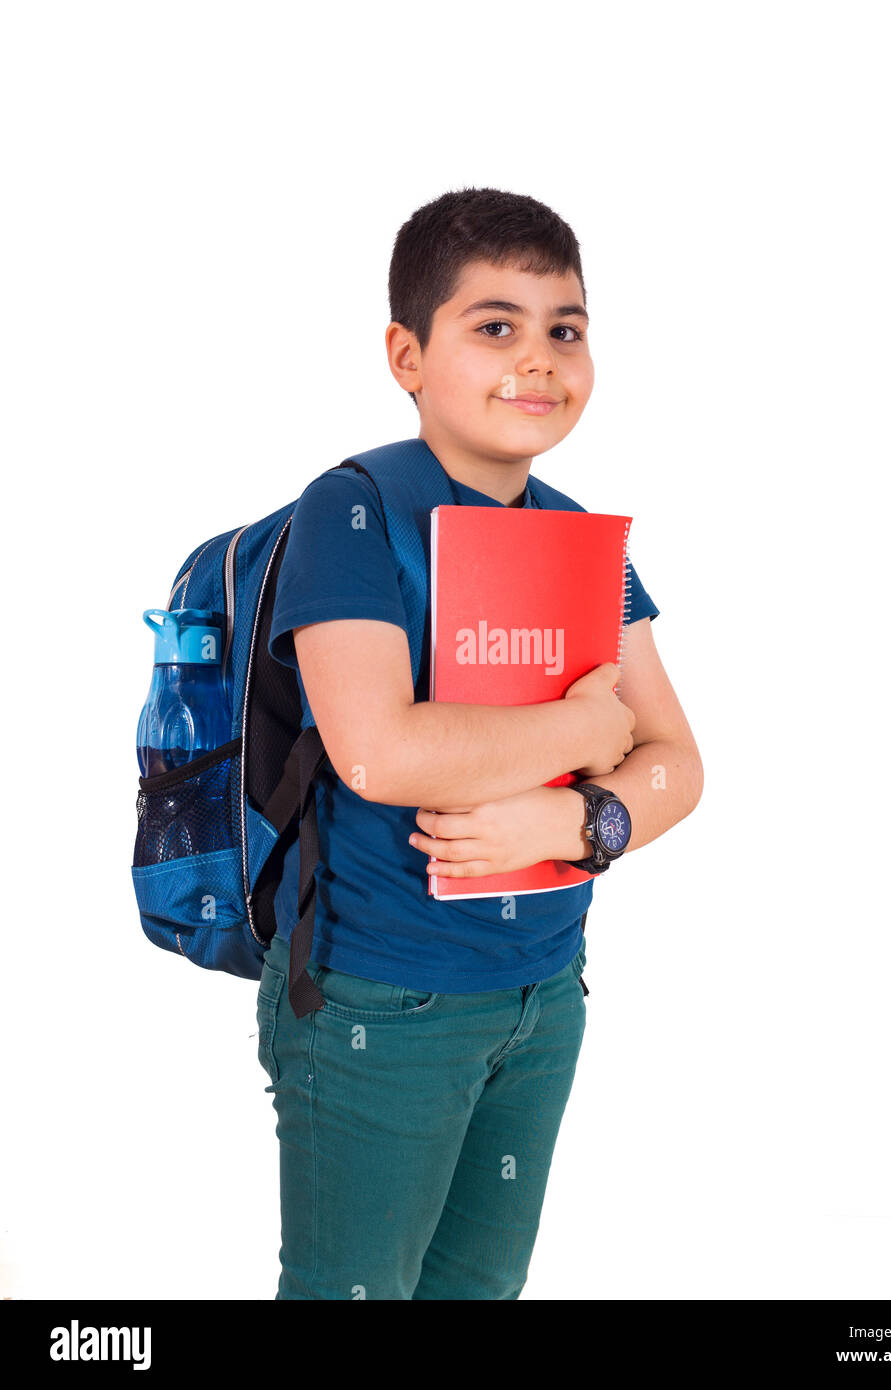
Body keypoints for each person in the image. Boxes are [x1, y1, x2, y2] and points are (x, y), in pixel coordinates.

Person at [255, 186, 703, 1300]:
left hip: (545, 992)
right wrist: (583, 729)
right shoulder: (352, 512)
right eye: (494, 325)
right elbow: (378, 753)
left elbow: (677, 765)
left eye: (566, 328)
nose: (538, 358)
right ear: (407, 354)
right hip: (377, 1000)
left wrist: (580, 817)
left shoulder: (583, 537)